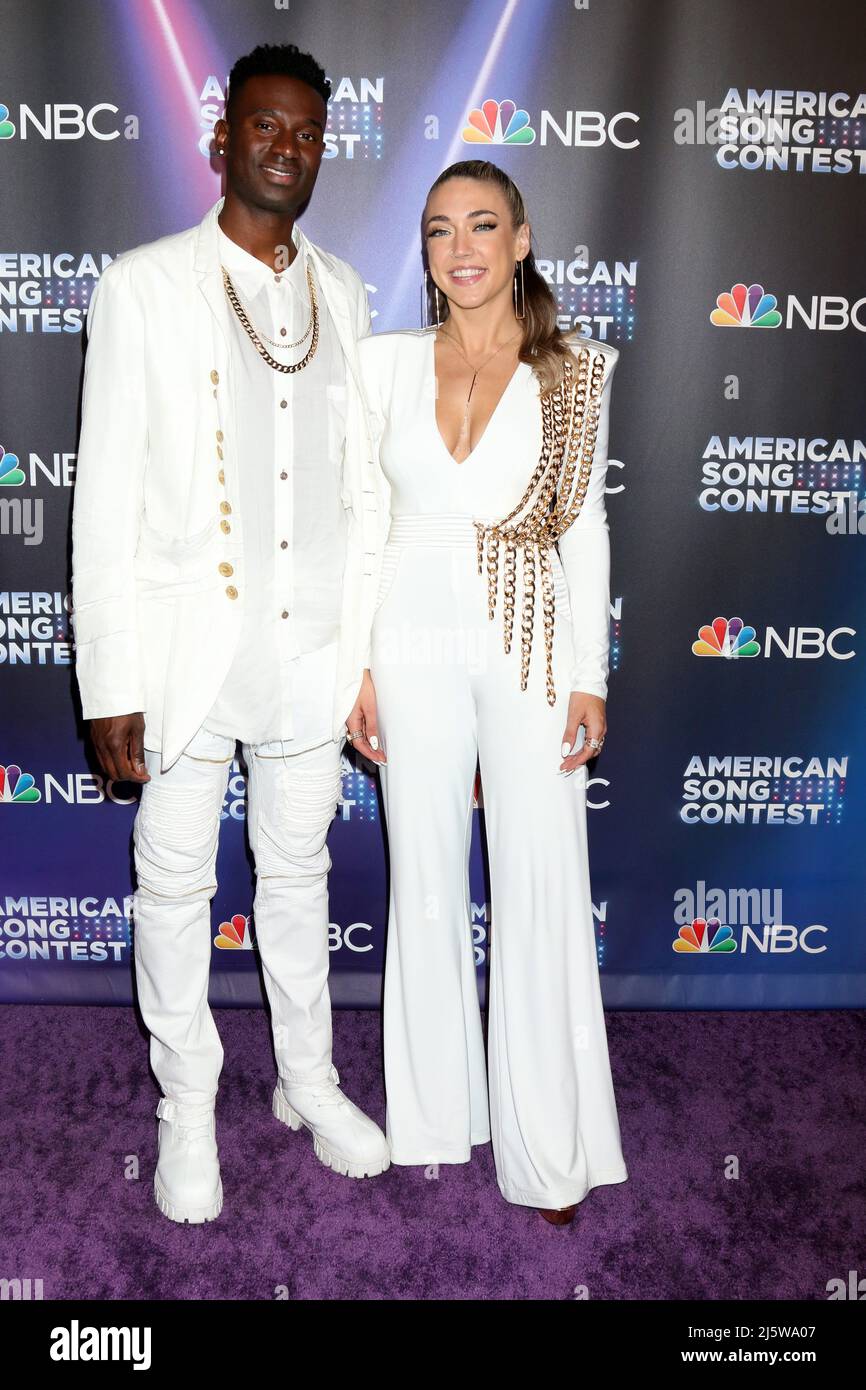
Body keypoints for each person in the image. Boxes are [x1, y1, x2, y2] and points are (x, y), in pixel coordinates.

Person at [71, 42, 391, 1225]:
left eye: (306, 131)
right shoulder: (143, 285)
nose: (285, 146)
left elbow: (363, 494)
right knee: (174, 884)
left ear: (320, 149)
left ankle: (306, 1081)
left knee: (298, 875)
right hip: (183, 659)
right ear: (222, 141)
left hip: (311, 656)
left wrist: (360, 654)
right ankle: (186, 1104)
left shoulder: (347, 293)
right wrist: (110, 679)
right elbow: (102, 498)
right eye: (264, 125)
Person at [353, 159, 629, 1224]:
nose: (458, 246)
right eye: (436, 230)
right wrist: (357, 666)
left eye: (480, 225)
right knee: (421, 866)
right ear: (422, 252)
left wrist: (589, 674)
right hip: (405, 630)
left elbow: (587, 525)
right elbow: (363, 519)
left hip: (529, 629)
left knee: (539, 872)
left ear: (520, 239)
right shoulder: (382, 365)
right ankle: (429, 1115)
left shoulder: (578, 369)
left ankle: (547, 1141)